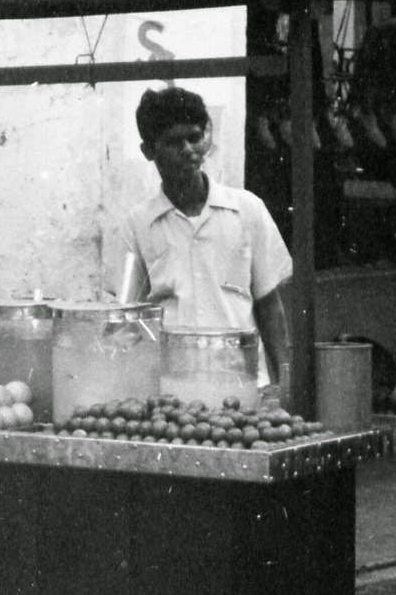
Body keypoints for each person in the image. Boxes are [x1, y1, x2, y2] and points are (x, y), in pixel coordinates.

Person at [118, 86, 293, 402]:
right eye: (173, 142)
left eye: (195, 138)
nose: (188, 150)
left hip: (243, 386)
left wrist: (284, 384)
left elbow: (269, 305)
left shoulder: (247, 210)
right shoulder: (138, 224)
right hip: (170, 395)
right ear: (149, 151)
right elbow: (128, 318)